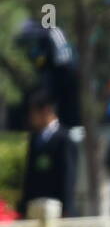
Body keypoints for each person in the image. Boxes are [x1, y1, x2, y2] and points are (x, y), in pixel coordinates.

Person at [19, 88, 77, 217]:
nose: (31, 117)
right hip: (36, 205)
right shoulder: (35, 139)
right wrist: (23, 205)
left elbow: (68, 175)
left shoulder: (64, 139)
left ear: (46, 111)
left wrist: (67, 207)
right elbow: (29, 175)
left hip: (56, 207)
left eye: (33, 112)